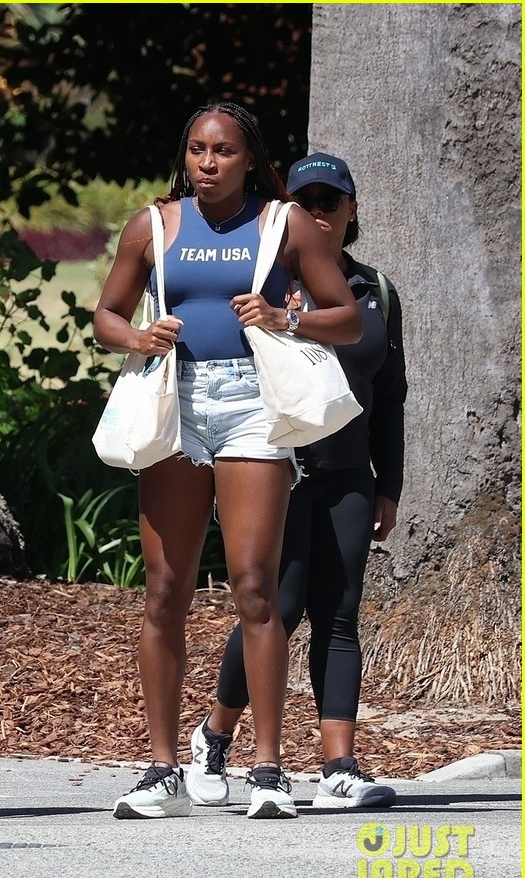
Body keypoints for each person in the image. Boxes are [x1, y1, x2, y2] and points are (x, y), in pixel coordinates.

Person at [92, 102, 363, 820]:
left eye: (223, 151)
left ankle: (267, 769)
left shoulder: (285, 223)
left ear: (251, 160)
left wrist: (284, 318)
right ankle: (161, 770)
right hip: (175, 403)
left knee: (254, 586)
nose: (207, 163)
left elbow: (347, 317)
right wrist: (138, 337)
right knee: (165, 589)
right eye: (196, 150)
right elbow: (106, 316)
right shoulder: (153, 225)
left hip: (252, 404)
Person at [187, 153, 406, 810]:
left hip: (348, 474)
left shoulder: (376, 291)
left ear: (351, 210)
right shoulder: (264, 281)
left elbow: (390, 397)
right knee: (276, 610)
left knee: (339, 615)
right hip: (274, 469)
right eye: (303, 203)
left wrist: (388, 485)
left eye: (328, 202)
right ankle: (215, 736)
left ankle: (339, 766)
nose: (316, 214)